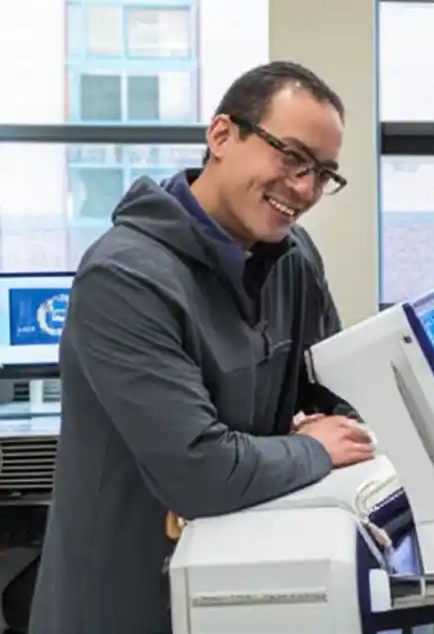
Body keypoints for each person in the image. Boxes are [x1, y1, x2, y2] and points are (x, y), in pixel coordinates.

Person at [29, 61, 376, 633]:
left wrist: (310, 437)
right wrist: (310, 449)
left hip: (243, 582)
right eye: (291, 158)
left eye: (322, 173)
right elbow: (199, 470)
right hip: (128, 601)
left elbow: (339, 397)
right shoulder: (126, 278)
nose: (305, 188)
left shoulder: (294, 257)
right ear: (221, 135)